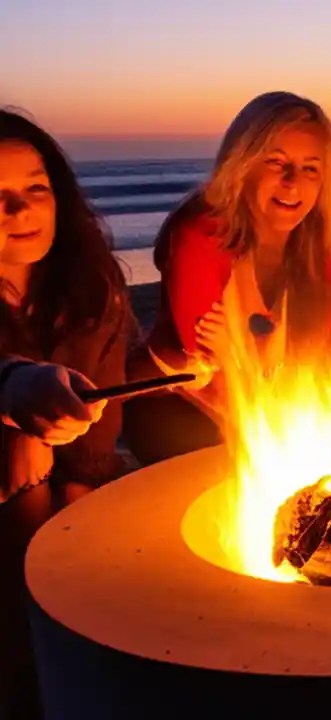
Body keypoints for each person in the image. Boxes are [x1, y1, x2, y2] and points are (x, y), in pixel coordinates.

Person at [122, 92, 331, 465]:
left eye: (310, 168)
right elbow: (213, 372)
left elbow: (317, 357)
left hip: (271, 397)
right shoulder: (203, 235)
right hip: (183, 402)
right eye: (276, 162)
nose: (292, 182)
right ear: (243, 164)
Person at [1, 109, 134, 720]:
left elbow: (96, 444)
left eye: (36, 188)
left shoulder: (93, 289)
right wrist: (12, 391)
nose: (20, 210)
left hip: (71, 499)